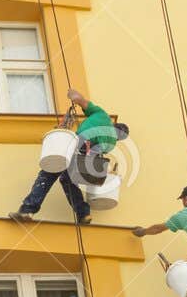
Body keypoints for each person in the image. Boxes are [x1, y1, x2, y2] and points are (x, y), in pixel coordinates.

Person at [10, 88, 125, 225]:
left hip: (76, 145)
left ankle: (27, 209)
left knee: (48, 174)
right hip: (86, 157)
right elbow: (94, 153)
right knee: (67, 179)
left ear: (113, 124)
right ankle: (83, 214)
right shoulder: (112, 143)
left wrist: (72, 94)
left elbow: (79, 99)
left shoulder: (102, 115)